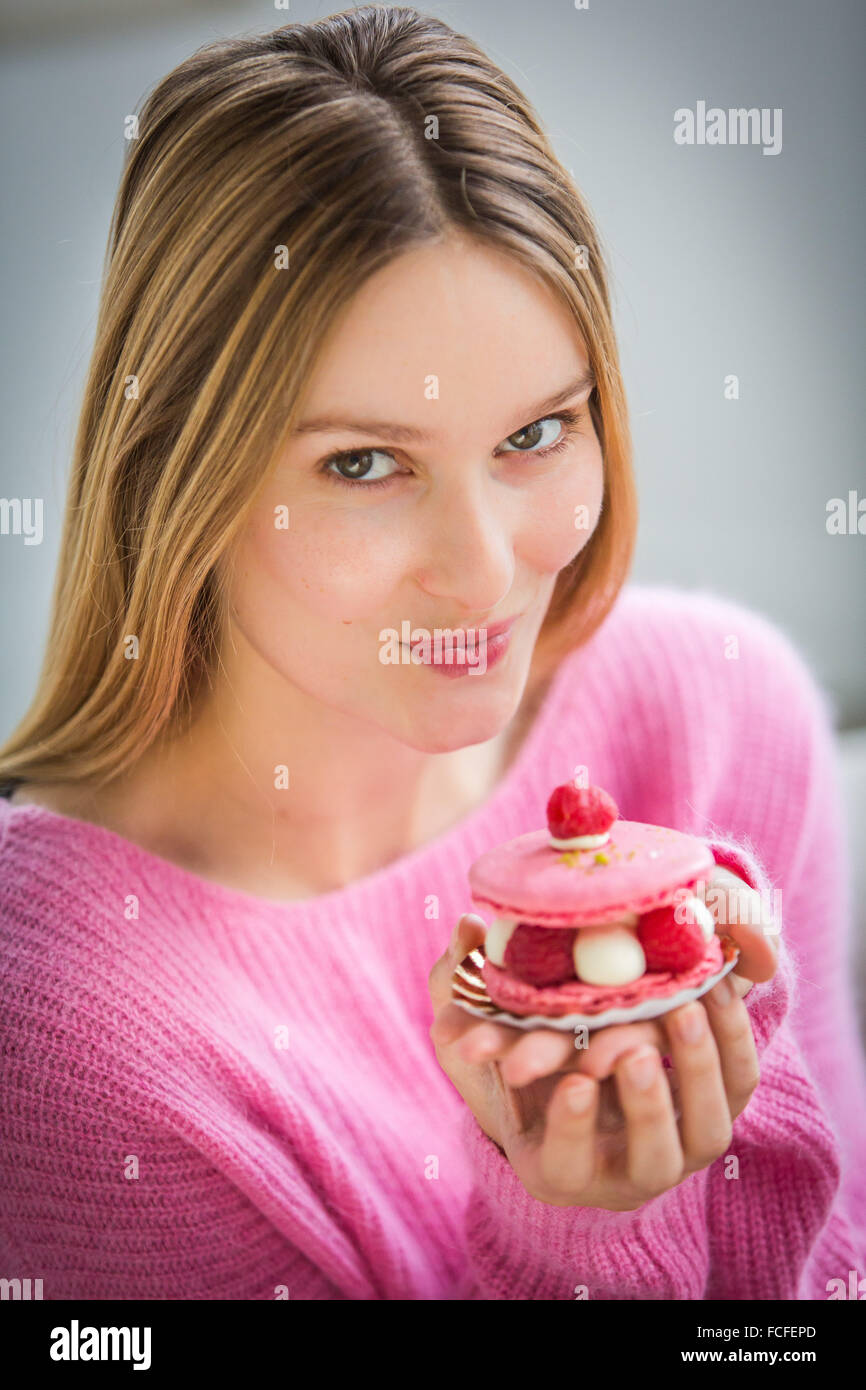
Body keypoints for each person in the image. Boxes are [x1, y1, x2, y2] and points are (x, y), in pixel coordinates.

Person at [0, 6, 863, 1300]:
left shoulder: (725, 718)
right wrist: (581, 1239)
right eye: (363, 463)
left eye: (534, 435)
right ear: (182, 471)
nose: (483, 567)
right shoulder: (72, 1033)